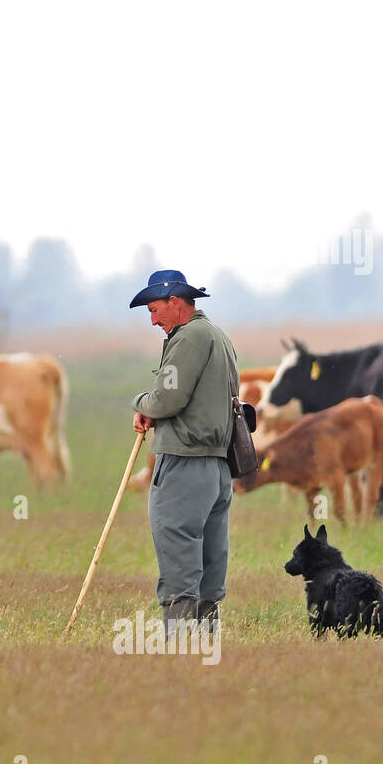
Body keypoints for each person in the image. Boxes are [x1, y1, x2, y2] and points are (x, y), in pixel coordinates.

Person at [129, 270, 238, 634]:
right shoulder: (217, 336)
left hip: (185, 464)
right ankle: (207, 647)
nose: (153, 319)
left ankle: (180, 649)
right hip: (217, 468)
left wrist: (142, 402)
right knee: (209, 561)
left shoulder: (189, 336)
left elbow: (169, 398)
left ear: (176, 303)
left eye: (155, 309)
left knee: (178, 552)